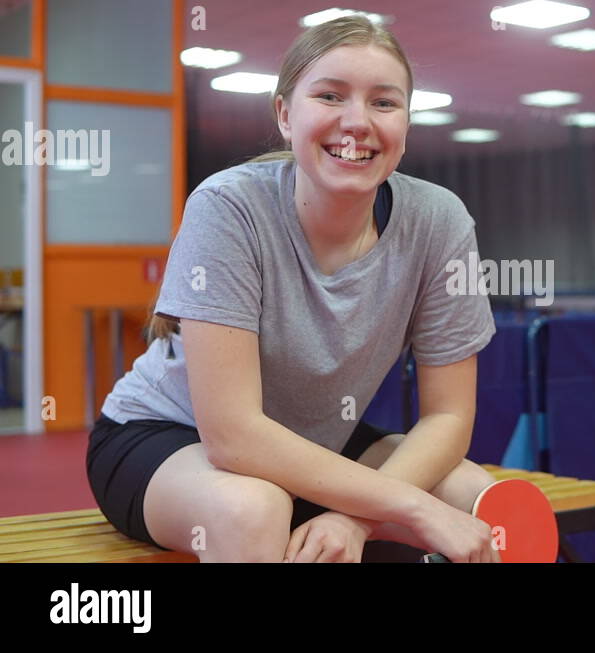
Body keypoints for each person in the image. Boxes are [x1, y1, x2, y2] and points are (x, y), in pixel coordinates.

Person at [86, 15, 500, 563]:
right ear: (285, 114)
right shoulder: (228, 207)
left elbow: (448, 417)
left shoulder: (440, 221)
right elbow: (232, 437)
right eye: (330, 96)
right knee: (253, 509)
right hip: (173, 437)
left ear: (405, 122)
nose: (358, 122)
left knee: (474, 498)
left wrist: (356, 517)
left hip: (317, 439)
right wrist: (411, 508)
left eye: (383, 102)